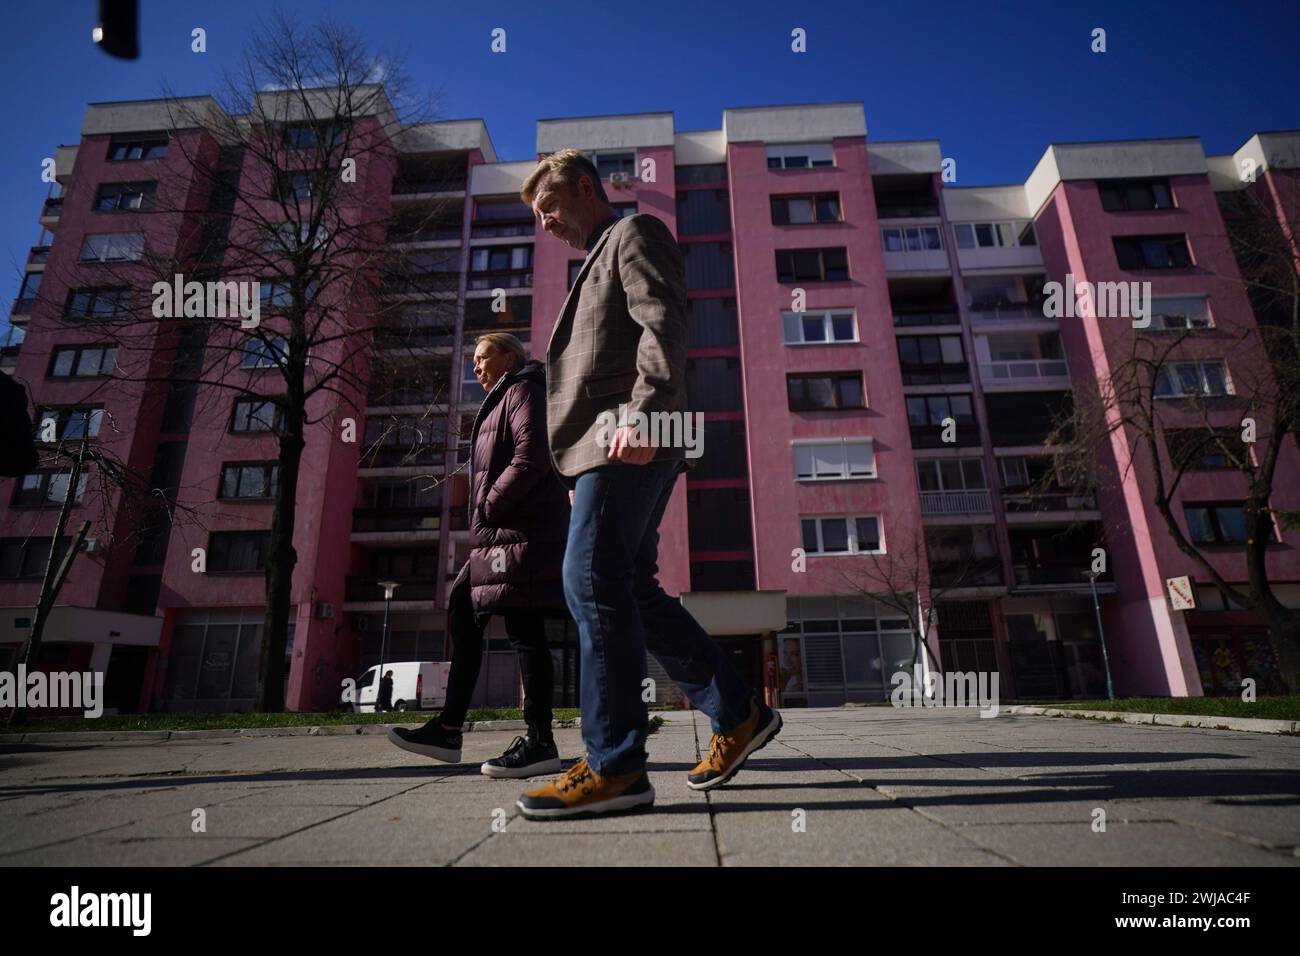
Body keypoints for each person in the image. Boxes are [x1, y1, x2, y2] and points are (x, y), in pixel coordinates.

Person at [515, 149, 782, 819]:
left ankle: (615, 764)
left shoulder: (632, 234)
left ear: (583, 189)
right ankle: (737, 711)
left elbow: (663, 320)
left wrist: (646, 410)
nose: (544, 224)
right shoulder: (595, 256)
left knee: (589, 581)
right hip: (601, 448)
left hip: (628, 432)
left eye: (549, 209)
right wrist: (577, 465)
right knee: (629, 585)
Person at [388, 333, 571, 778]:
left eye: (483, 357)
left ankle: (541, 741)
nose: (475, 367)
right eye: (472, 361)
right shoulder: (505, 394)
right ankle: (449, 729)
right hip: (496, 536)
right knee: (461, 611)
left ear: (510, 356)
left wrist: (489, 503)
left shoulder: (524, 389)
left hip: (520, 532)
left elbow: (532, 457)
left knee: (525, 629)